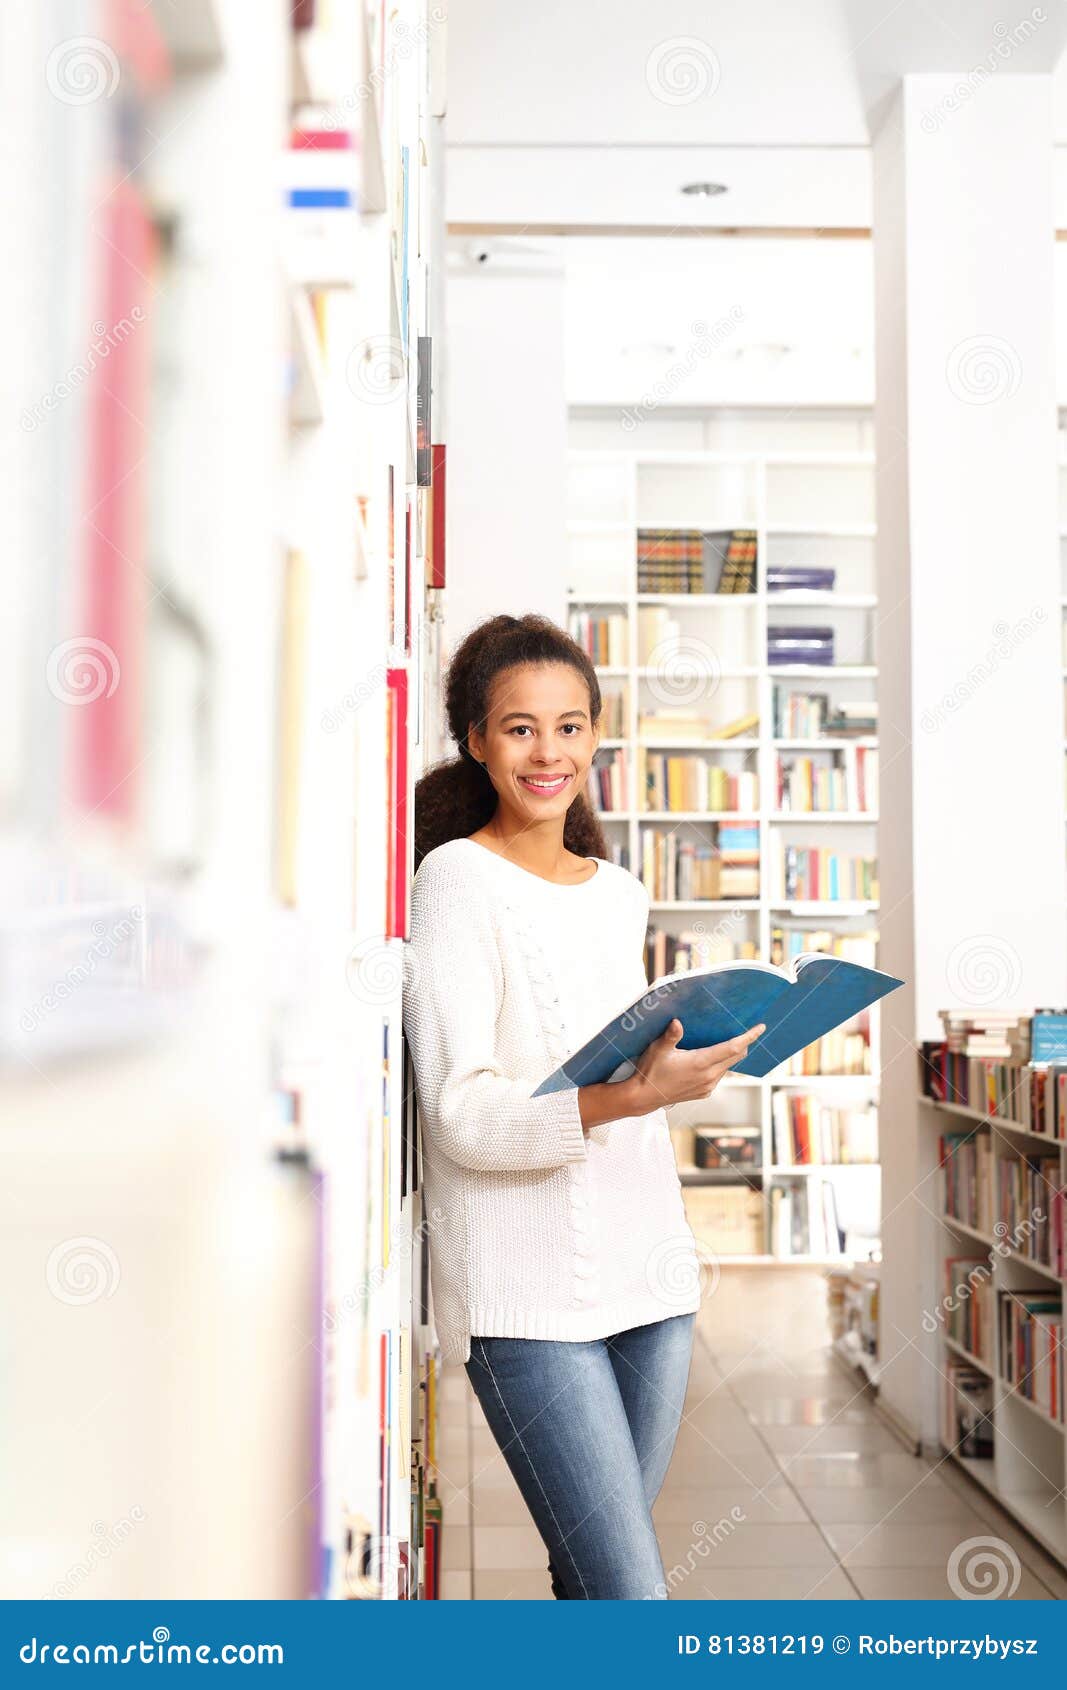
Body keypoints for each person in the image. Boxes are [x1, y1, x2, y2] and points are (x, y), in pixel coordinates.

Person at [404, 613, 764, 1599]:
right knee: (631, 1596)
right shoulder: (456, 881)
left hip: (651, 1281)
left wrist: (692, 1062)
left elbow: (622, 1081)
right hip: (525, 1299)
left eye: (568, 726)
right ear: (475, 740)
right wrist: (626, 1094)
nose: (546, 751)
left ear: (596, 733)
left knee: (592, 1583)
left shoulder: (618, 893)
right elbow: (461, 1116)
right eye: (518, 727)